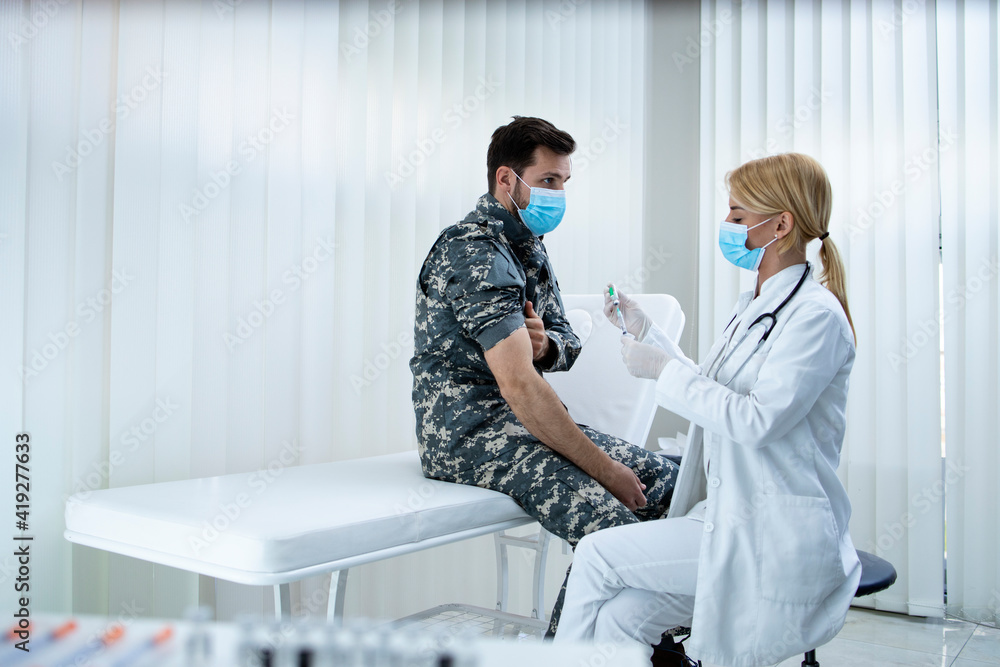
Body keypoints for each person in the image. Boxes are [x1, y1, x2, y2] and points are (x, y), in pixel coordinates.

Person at [554, 153, 862, 666]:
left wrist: (661, 371)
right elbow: (712, 388)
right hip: (726, 517)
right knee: (619, 618)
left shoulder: (815, 317)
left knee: (595, 556)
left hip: (772, 535)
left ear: (780, 225)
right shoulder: (754, 307)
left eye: (738, 216)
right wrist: (646, 331)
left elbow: (756, 419)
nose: (727, 225)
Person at [409, 116, 678, 634]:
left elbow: (565, 338)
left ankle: (647, 643)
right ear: (507, 180)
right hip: (468, 433)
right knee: (612, 530)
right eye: (549, 181)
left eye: (563, 182)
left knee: (668, 485)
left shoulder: (527, 243)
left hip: (520, 421)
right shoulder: (473, 249)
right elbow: (519, 384)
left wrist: (545, 342)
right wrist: (605, 469)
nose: (558, 193)